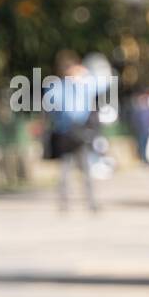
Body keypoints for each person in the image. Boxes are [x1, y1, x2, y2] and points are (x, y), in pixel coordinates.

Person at [47, 50, 99, 213]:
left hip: (81, 132)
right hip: (66, 133)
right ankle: (64, 203)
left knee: (86, 170)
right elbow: (54, 104)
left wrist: (84, 77)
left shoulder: (84, 84)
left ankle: (91, 202)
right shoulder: (58, 87)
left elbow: (100, 86)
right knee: (65, 171)